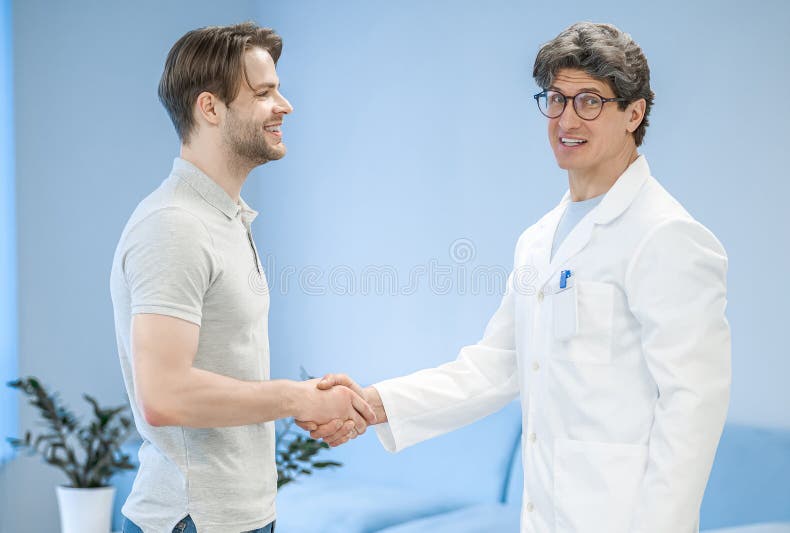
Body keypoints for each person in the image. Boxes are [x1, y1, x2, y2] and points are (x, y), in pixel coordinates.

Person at [300, 21, 731, 533]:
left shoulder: (665, 235)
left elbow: (693, 405)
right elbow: (496, 367)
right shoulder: (537, 241)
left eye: (589, 101)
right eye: (556, 99)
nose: (566, 118)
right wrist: (372, 404)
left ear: (633, 112)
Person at [110, 22, 375, 533]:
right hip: (194, 520)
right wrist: (299, 398)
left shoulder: (223, 218)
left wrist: (313, 400)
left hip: (240, 516)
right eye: (264, 93)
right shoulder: (174, 225)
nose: (285, 105)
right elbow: (163, 394)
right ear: (210, 109)